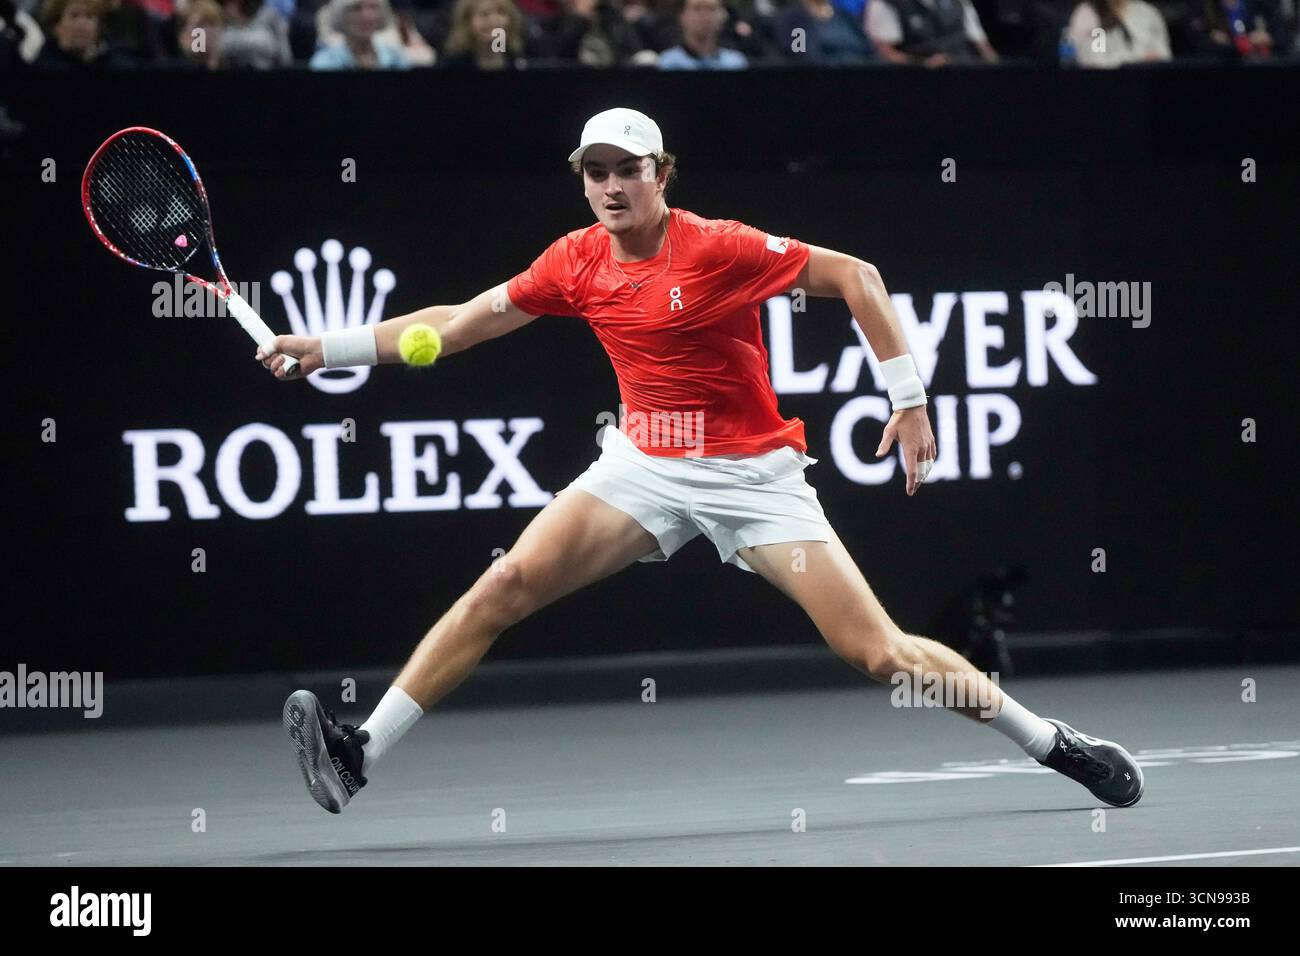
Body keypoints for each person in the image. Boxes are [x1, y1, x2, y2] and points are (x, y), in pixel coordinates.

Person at [259, 107, 1145, 817]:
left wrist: (908, 398)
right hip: (644, 464)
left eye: (626, 169)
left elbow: (858, 278)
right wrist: (325, 350)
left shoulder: (718, 247)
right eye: (595, 171)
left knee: (877, 655)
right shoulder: (573, 262)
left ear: (661, 175)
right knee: (506, 585)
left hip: (756, 479)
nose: (610, 185)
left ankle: (1052, 744)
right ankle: (359, 751)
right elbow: (450, 329)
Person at [866, 0, 998, 64]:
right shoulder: (886, 3)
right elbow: (885, 53)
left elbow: (983, 47)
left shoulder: (959, 2)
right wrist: (922, 62)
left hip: (964, 74)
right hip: (912, 83)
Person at [1066, 0, 1170, 65]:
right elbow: (1095, 61)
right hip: (1105, 86)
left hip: (1145, 85)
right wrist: (1138, 60)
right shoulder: (1090, 13)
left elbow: (1163, 54)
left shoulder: (1147, 13)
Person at [310, 0, 409, 66]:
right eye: (356, 8)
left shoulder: (395, 58)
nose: (366, 16)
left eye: (373, 7)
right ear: (341, 15)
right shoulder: (325, 62)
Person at [657, 0, 748, 68]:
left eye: (711, 9)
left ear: (723, 16)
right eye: (697, 9)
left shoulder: (736, 63)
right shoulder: (667, 63)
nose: (705, 15)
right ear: (682, 16)